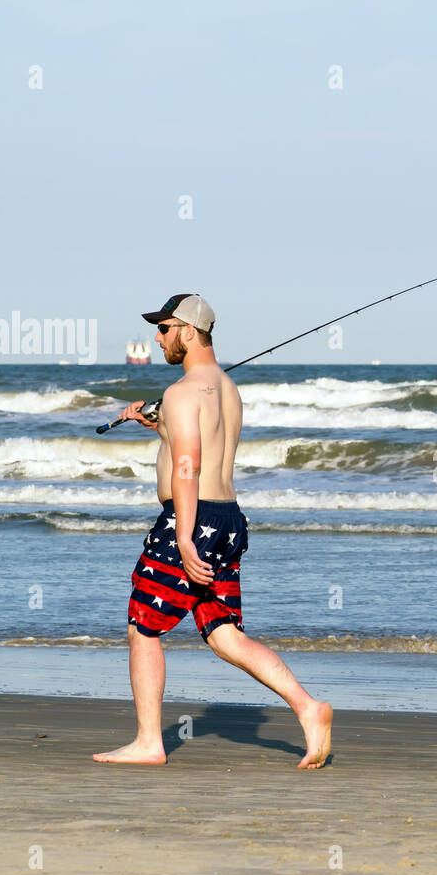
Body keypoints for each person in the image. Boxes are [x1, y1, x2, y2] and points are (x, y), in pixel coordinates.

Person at [93, 293, 332, 768]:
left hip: (193, 520)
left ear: (186, 330)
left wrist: (182, 536)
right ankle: (309, 707)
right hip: (227, 519)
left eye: (163, 329)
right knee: (224, 634)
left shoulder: (183, 393)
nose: (157, 338)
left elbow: (187, 466)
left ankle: (148, 742)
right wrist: (152, 423)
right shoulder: (225, 389)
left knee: (143, 626)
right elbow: (199, 450)